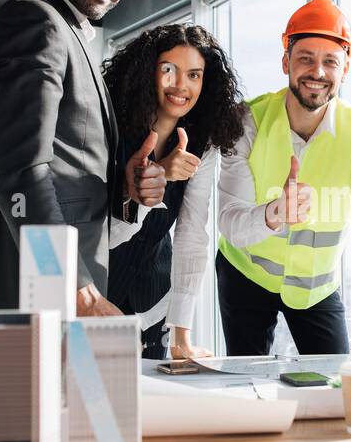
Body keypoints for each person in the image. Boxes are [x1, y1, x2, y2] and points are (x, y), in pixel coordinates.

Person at [0, 0, 166, 314]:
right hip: (30, 285)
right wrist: (70, 282)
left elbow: (66, 164)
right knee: (23, 386)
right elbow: (20, 172)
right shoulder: (36, 23)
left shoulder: (66, 31)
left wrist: (124, 184)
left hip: (62, 283)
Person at [216, 0, 351, 357]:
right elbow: (230, 221)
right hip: (245, 275)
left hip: (316, 287)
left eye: (330, 62)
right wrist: (275, 213)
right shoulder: (247, 120)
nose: (318, 72)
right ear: (286, 63)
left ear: (345, 70)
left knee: (338, 382)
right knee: (246, 384)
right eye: (306, 58)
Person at [102, 24, 247, 359]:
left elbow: (192, 234)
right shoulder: (111, 129)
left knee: (149, 406)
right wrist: (142, 190)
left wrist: (181, 334)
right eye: (169, 70)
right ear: (146, 72)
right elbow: (92, 230)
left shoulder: (203, 141)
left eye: (194, 75)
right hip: (96, 293)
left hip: (152, 297)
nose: (182, 85)